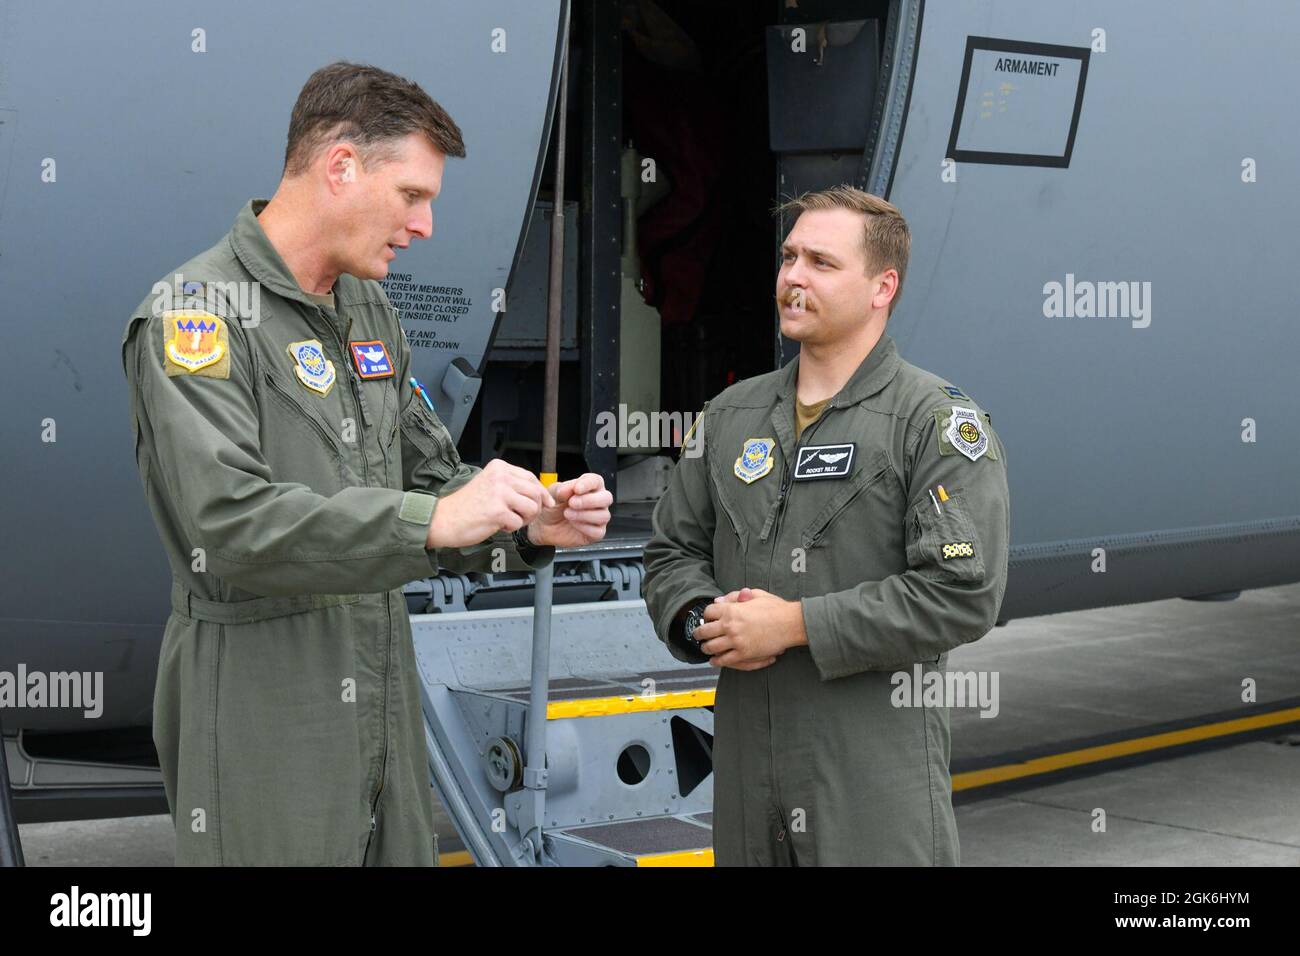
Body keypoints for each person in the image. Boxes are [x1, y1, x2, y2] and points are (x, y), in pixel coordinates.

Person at [120, 62, 612, 866]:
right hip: (263, 701)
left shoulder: (366, 310)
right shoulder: (197, 315)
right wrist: (435, 518)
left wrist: (525, 525)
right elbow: (228, 523)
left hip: (379, 694)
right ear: (340, 167)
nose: (423, 228)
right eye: (413, 196)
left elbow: (427, 477)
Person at [642, 185, 1010, 865]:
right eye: (789, 258)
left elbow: (961, 594)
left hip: (871, 774)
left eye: (821, 262)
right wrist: (702, 617)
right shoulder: (730, 415)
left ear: (882, 287)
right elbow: (672, 550)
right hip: (750, 774)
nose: (793, 277)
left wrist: (794, 625)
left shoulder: (933, 423)